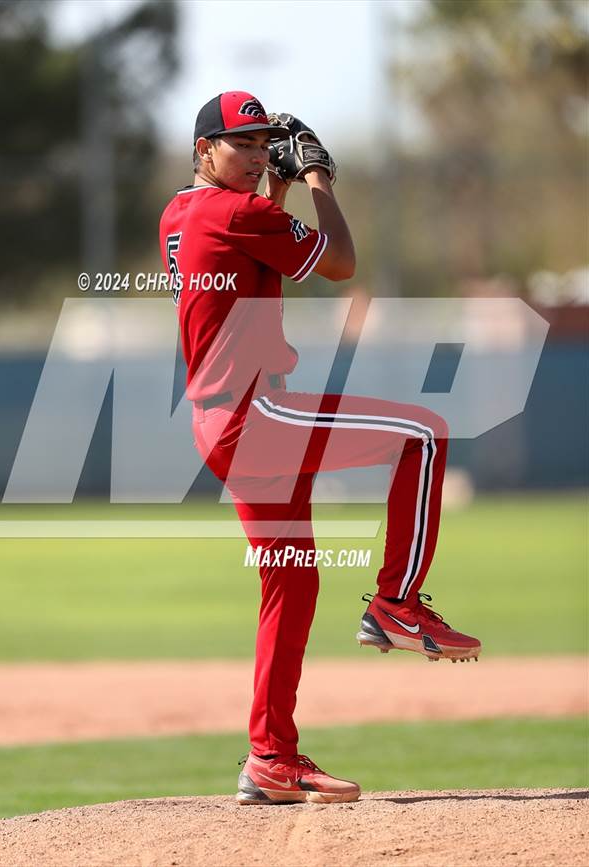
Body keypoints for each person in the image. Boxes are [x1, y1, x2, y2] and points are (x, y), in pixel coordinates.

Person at [159, 91, 480, 806]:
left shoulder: (179, 213)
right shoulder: (243, 211)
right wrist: (316, 179)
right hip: (256, 414)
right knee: (425, 435)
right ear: (204, 148)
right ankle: (397, 602)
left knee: (291, 582)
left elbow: (255, 247)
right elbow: (340, 262)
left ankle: (271, 757)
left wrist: (275, 184)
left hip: (219, 423)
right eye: (241, 143)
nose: (255, 154)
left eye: (263, 142)